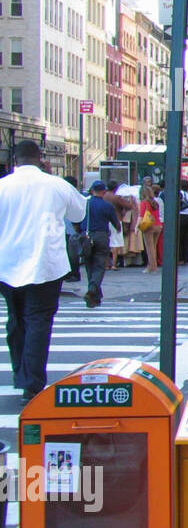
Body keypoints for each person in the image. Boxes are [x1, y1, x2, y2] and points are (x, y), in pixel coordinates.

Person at [0, 140, 87, 402]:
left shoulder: (3, 186)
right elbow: (78, 213)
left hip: (7, 263)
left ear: (15, 160)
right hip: (45, 262)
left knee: (16, 319)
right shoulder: (56, 184)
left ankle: (22, 374)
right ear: (40, 158)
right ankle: (31, 381)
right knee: (38, 320)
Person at [80, 181, 121, 308]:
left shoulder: (84, 204)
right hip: (101, 236)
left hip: (86, 236)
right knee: (99, 265)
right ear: (103, 192)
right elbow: (115, 222)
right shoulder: (106, 206)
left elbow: (76, 220)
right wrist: (118, 228)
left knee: (89, 265)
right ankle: (92, 290)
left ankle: (95, 296)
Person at [105, 181, 136, 271]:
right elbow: (129, 206)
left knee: (107, 242)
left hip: (105, 221)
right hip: (116, 220)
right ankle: (114, 264)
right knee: (116, 242)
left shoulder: (104, 196)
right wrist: (130, 200)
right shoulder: (116, 197)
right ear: (116, 188)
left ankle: (106, 264)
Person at [138, 183, 163, 273]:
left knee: (149, 247)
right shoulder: (155, 202)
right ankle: (153, 265)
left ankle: (151, 267)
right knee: (154, 246)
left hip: (149, 226)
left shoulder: (143, 203)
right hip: (158, 225)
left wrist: (137, 227)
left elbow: (141, 216)